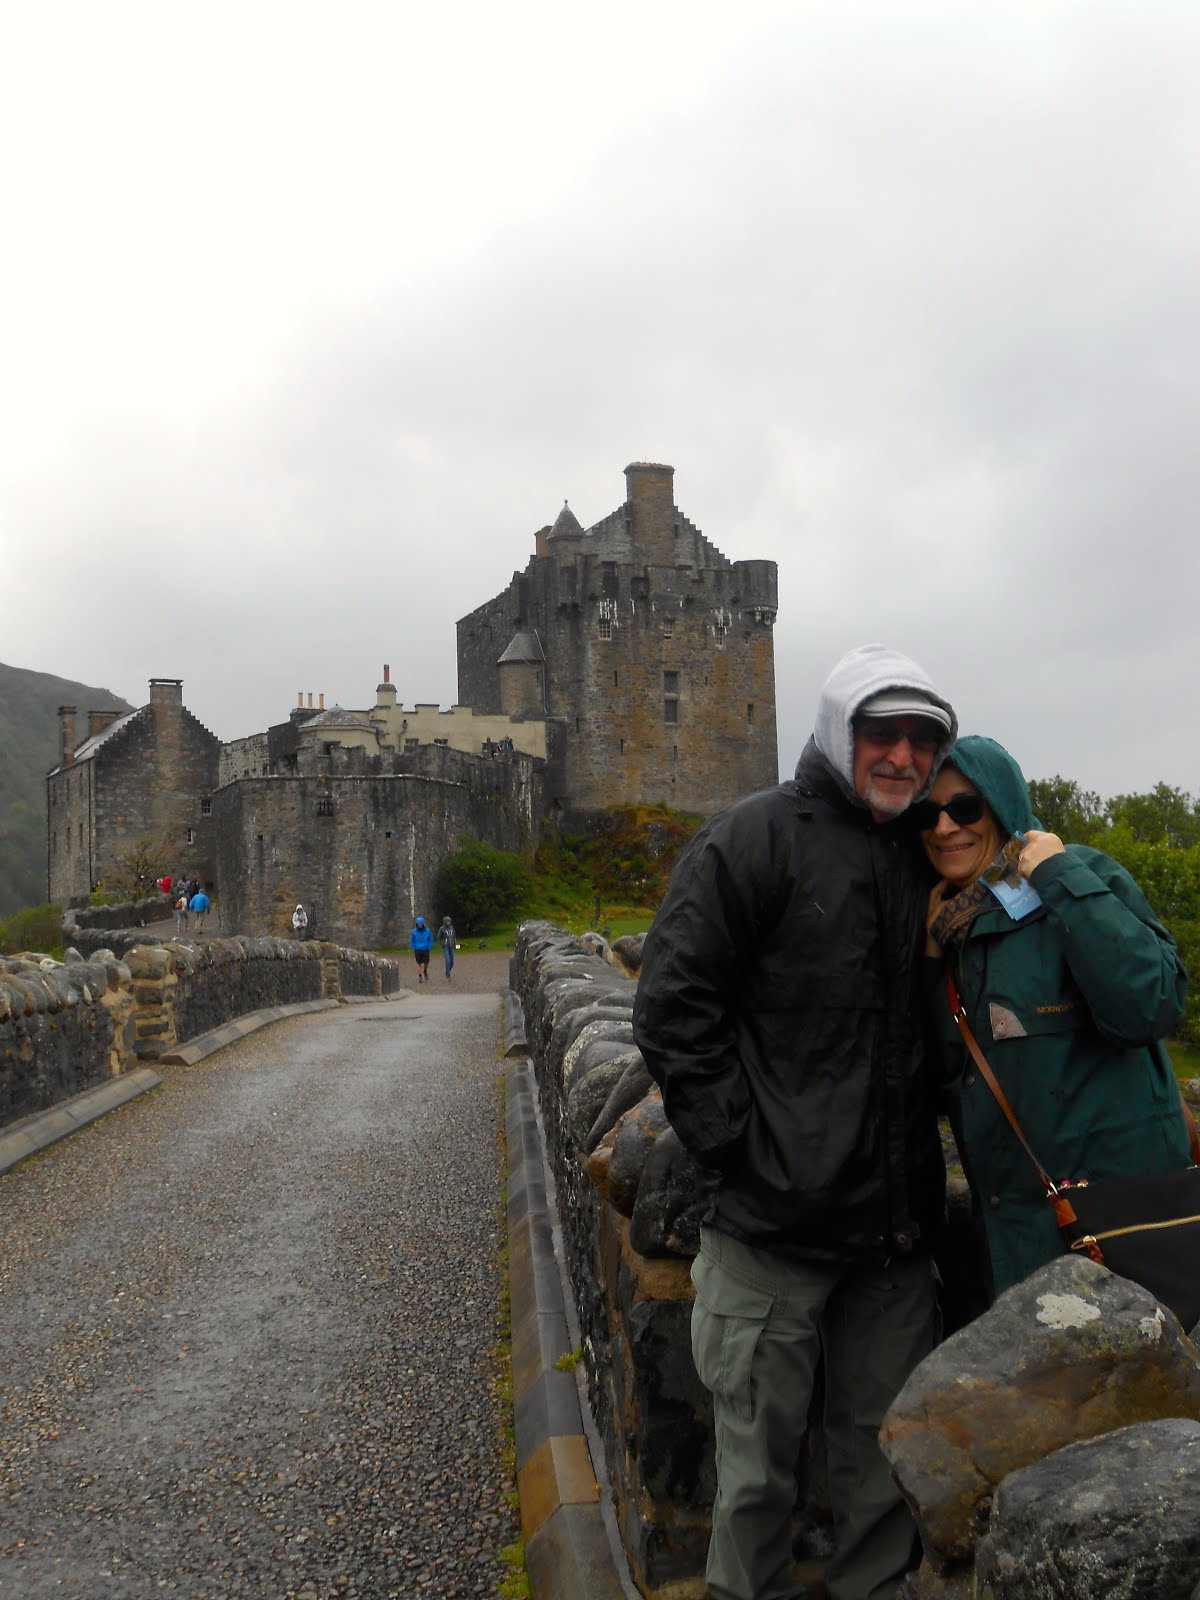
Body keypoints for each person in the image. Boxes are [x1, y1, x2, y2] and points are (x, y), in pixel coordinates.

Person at [633, 643, 958, 1600]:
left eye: (923, 740)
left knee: (882, 1469)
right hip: (770, 1230)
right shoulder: (755, 837)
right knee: (754, 1478)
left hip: (893, 1239)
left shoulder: (927, 851)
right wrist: (741, 1149)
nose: (902, 756)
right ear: (838, 730)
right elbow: (673, 1003)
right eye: (882, 733)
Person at [917, 734, 1191, 1300]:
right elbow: (941, 1078)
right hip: (1018, 1248)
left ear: (1003, 806)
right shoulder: (946, 926)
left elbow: (1149, 1006)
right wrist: (930, 956)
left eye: (965, 807)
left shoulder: (1081, 873)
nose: (944, 827)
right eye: (928, 812)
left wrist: (1058, 876)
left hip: (1125, 1235)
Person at [410, 915, 434, 982]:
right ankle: (420, 976)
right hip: (417, 949)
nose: (420, 925)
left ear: (423, 924)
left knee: (426, 963)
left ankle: (425, 971)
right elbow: (412, 940)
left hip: (425, 949)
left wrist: (429, 946)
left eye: (421, 924)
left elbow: (430, 939)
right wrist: (413, 946)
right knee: (419, 963)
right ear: (417, 924)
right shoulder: (414, 932)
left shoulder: (427, 931)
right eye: (419, 924)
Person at [437, 915, 456, 979]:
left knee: (452, 961)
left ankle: (447, 971)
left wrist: (454, 943)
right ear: (444, 922)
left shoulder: (452, 928)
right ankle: (448, 974)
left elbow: (454, 936)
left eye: (449, 921)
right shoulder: (442, 929)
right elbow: (438, 938)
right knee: (448, 960)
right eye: (447, 921)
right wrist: (443, 943)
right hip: (445, 947)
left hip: (451, 947)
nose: (448, 923)